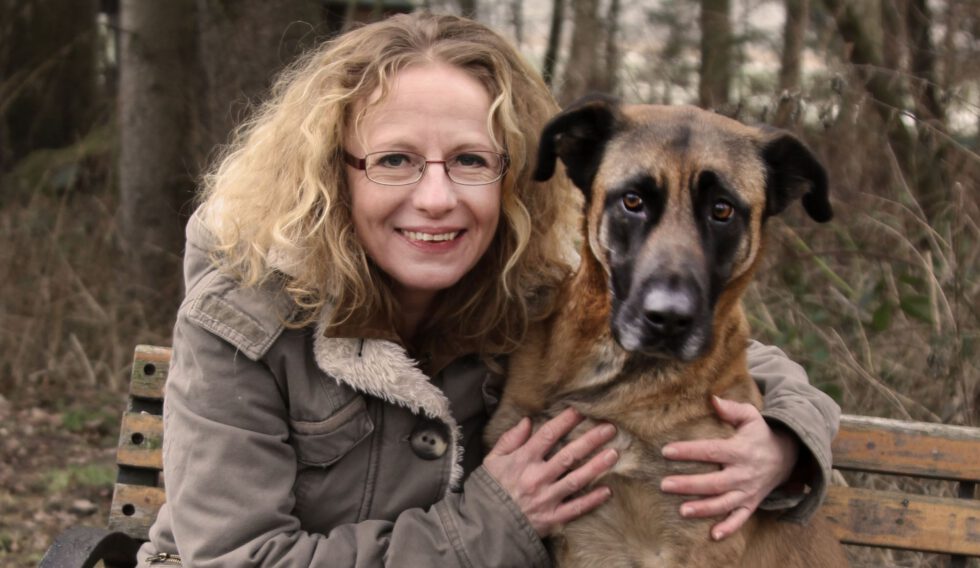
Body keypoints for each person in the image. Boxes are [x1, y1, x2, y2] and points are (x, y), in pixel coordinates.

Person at [138, 12, 840, 567]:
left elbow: (730, 357)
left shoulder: (532, 282)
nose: (436, 198)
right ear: (334, 170)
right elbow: (241, 562)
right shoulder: (244, 312)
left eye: (471, 160)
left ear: (512, 173)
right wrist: (492, 522)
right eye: (395, 160)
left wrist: (782, 444)